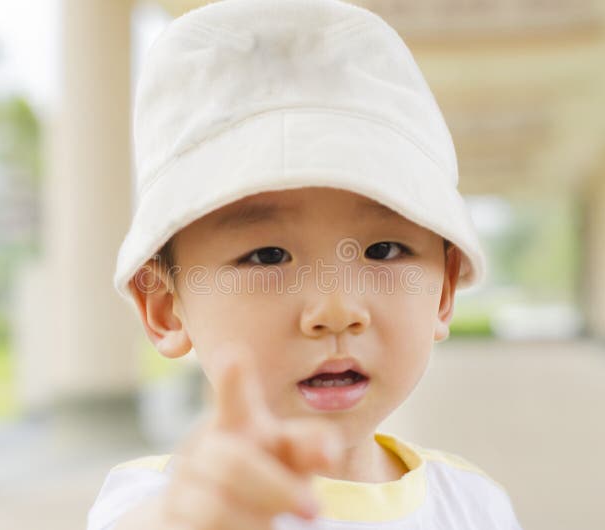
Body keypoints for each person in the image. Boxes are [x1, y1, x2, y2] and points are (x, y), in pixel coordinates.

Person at [87, 0, 524, 528]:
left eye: (384, 250)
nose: (336, 310)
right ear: (166, 308)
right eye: (268, 255)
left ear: (445, 291)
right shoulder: (167, 504)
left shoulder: (475, 506)